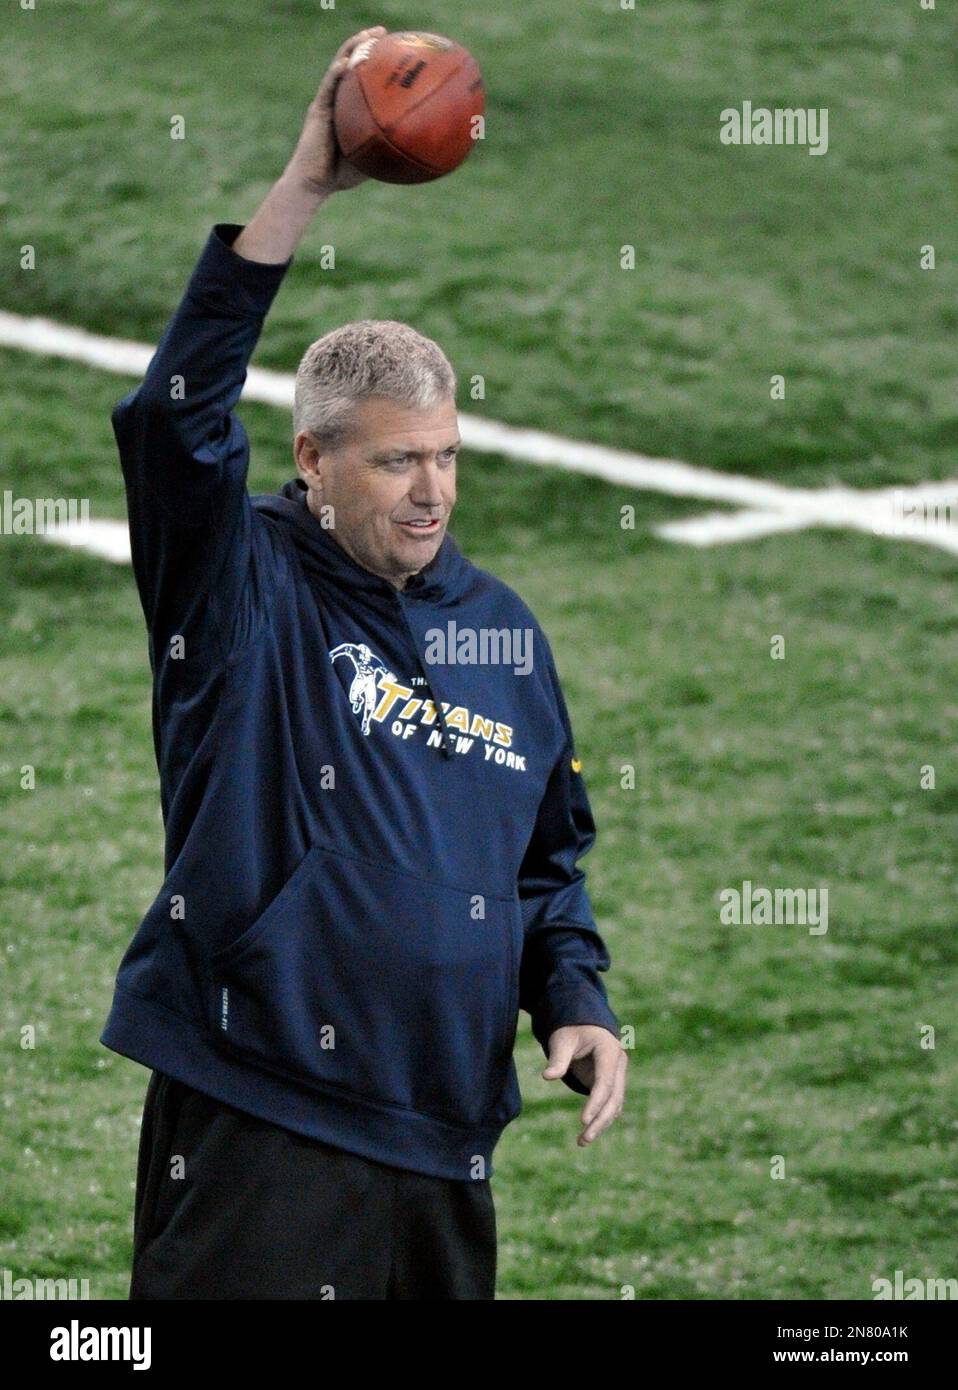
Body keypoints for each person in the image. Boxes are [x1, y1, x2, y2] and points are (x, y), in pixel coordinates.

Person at [101, 26, 627, 1301]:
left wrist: (573, 998)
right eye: (396, 461)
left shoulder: (502, 634)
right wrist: (304, 187)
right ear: (313, 460)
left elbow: (540, 861)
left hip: (441, 1137)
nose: (431, 489)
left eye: (446, 456)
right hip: (263, 1114)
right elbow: (175, 418)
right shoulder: (242, 586)